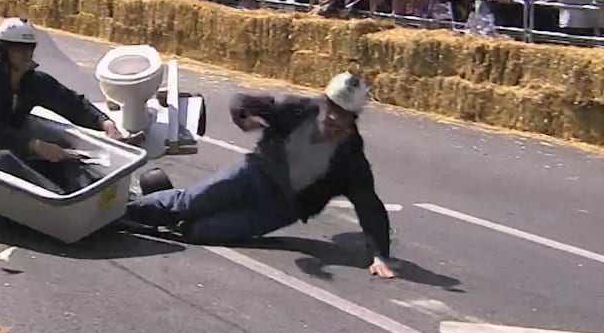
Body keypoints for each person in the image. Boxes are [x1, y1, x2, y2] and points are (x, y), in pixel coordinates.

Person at [123, 72, 399, 279]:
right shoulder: (297, 110)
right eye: (331, 114)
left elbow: (369, 205)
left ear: (353, 121)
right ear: (324, 104)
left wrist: (379, 253)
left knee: (200, 232)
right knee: (187, 203)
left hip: (280, 209)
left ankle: (157, 208)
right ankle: (117, 213)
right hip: (253, 173)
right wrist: (245, 117)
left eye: (343, 119)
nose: (334, 123)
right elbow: (242, 102)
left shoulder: (351, 158)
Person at [0, 17, 125, 194]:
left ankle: (94, 195)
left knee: (62, 156)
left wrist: (103, 122)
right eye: (18, 49)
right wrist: (33, 145)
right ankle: (56, 199)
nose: (26, 54)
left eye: (29, 48)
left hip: (9, 140)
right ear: (4, 50)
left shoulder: (33, 81)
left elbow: (70, 102)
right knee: (5, 158)